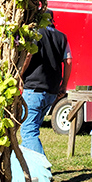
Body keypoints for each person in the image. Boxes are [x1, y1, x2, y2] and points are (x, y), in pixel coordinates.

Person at [20, 21, 71, 157]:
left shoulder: (35, 33)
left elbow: (29, 55)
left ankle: (43, 170)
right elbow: (68, 61)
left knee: (28, 131)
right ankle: (31, 169)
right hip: (52, 90)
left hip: (33, 88)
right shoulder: (62, 37)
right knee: (33, 129)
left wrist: (19, 75)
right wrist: (64, 85)